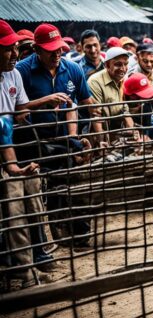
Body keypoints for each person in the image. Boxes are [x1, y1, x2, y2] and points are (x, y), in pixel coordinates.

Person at [15, 23, 95, 247]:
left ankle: (79, 232)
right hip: (32, 142)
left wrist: (85, 135)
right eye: (50, 49)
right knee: (42, 190)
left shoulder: (72, 69)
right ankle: (47, 238)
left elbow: (83, 105)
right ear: (37, 49)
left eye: (59, 48)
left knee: (74, 182)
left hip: (64, 139)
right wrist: (43, 102)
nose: (57, 53)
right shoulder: (21, 71)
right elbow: (13, 110)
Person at [0, 20, 55, 291]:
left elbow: (19, 113)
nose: (13, 54)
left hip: (13, 147)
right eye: (6, 49)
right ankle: (22, 271)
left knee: (34, 191)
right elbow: (3, 125)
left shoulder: (13, 75)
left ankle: (37, 259)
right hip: (6, 151)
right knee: (13, 203)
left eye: (14, 48)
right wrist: (12, 166)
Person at [87, 47, 135, 136]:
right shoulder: (95, 81)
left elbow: (124, 108)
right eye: (118, 64)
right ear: (107, 65)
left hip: (115, 129)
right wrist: (101, 141)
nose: (123, 68)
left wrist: (132, 129)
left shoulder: (122, 79)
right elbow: (96, 115)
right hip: (98, 130)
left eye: (126, 64)